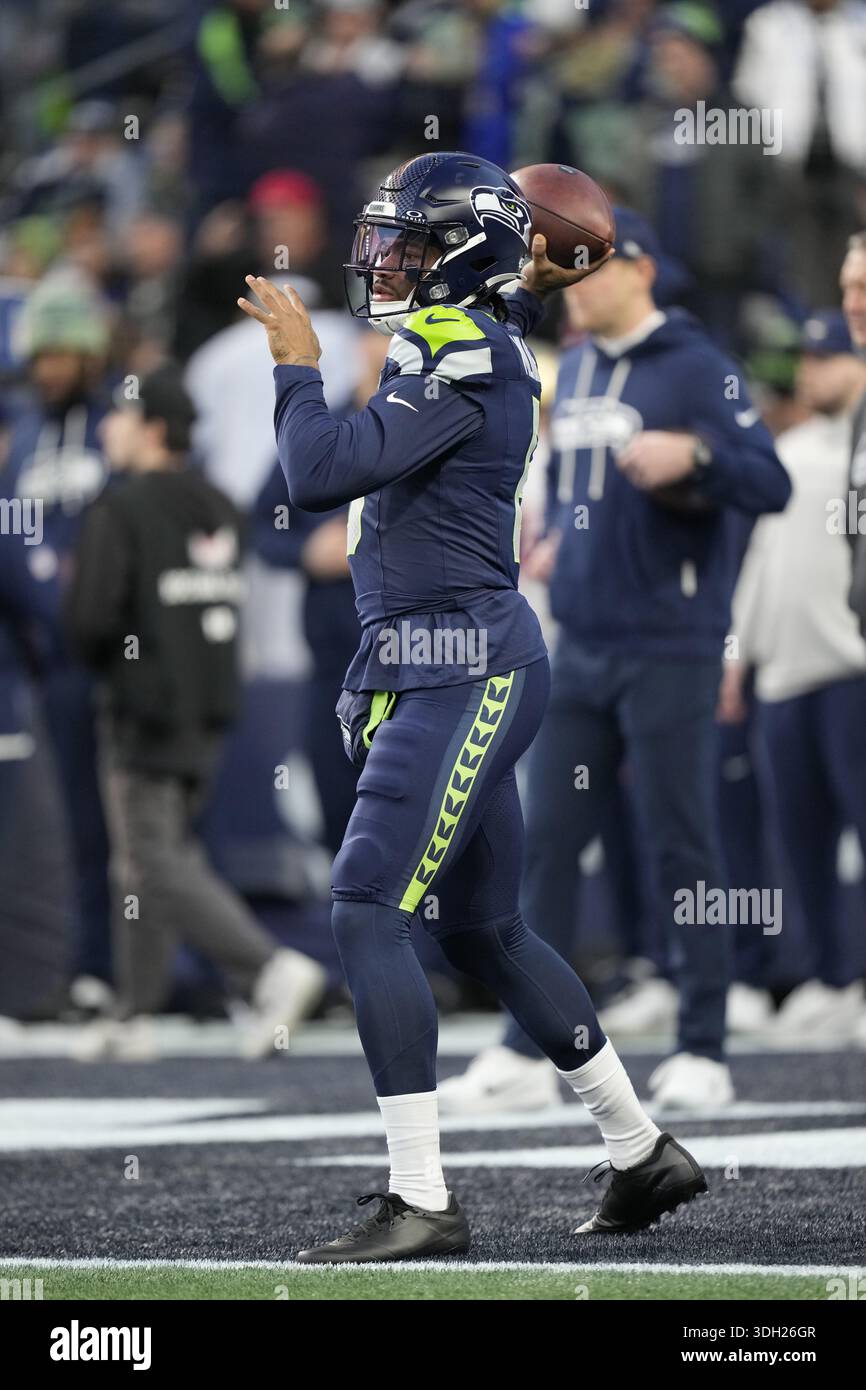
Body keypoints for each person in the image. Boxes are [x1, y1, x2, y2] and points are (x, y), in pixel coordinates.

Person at [239, 152, 707, 1262]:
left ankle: (422, 1197)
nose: (382, 260)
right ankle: (639, 1152)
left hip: (461, 662)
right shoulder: (471, 334)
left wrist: (297, 370)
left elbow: (320, 468)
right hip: (436, 658)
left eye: (405, 242)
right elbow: (489, 310)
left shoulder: (462, 346)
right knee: (483, 929)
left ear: (459, 254)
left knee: (363, 905)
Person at [440, 209, 791, 1116]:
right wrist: (554, 540)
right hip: (584, 643)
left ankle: (703, 1043)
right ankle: (531, 1044)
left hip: (670, 642)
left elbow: (770, 481)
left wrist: (700, 453)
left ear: (636, 267)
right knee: (545, 839)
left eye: (584, 267)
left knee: (683, 841)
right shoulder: (583, 362)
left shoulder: (696, 364)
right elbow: (572, 481)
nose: (571, 286)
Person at [65, 366, 325, 1061]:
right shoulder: (219, 504)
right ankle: (134, 1011)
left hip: (141, 710)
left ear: (150, 426)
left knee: (152, 860)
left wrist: (108, 662)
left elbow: (89, 619)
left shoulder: (119, 509)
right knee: (146, 862)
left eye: (117, 418)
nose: (104, 429)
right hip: (209, 709)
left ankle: (268, 968)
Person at [725, 311, 866, 1041]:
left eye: (826, 359)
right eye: (805, 358)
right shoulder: (792, 448)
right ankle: (834, 976)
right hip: (784, 676)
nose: (809, 372)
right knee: (802, 840)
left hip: (851, 667)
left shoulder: (858, 452)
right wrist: (737, 655)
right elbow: (759, 561)